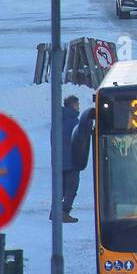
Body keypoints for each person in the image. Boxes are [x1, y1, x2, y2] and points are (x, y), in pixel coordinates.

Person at [60, 95, 81, 223]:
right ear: (73, 105)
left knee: (60, 189)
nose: (79, 107)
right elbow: (79, 140)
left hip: (59, 161)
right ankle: (64, 212)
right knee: (71, 189)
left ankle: (55, 211)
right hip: (71, 162)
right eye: (77, 105)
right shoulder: (74, 122)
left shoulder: (59, 119)